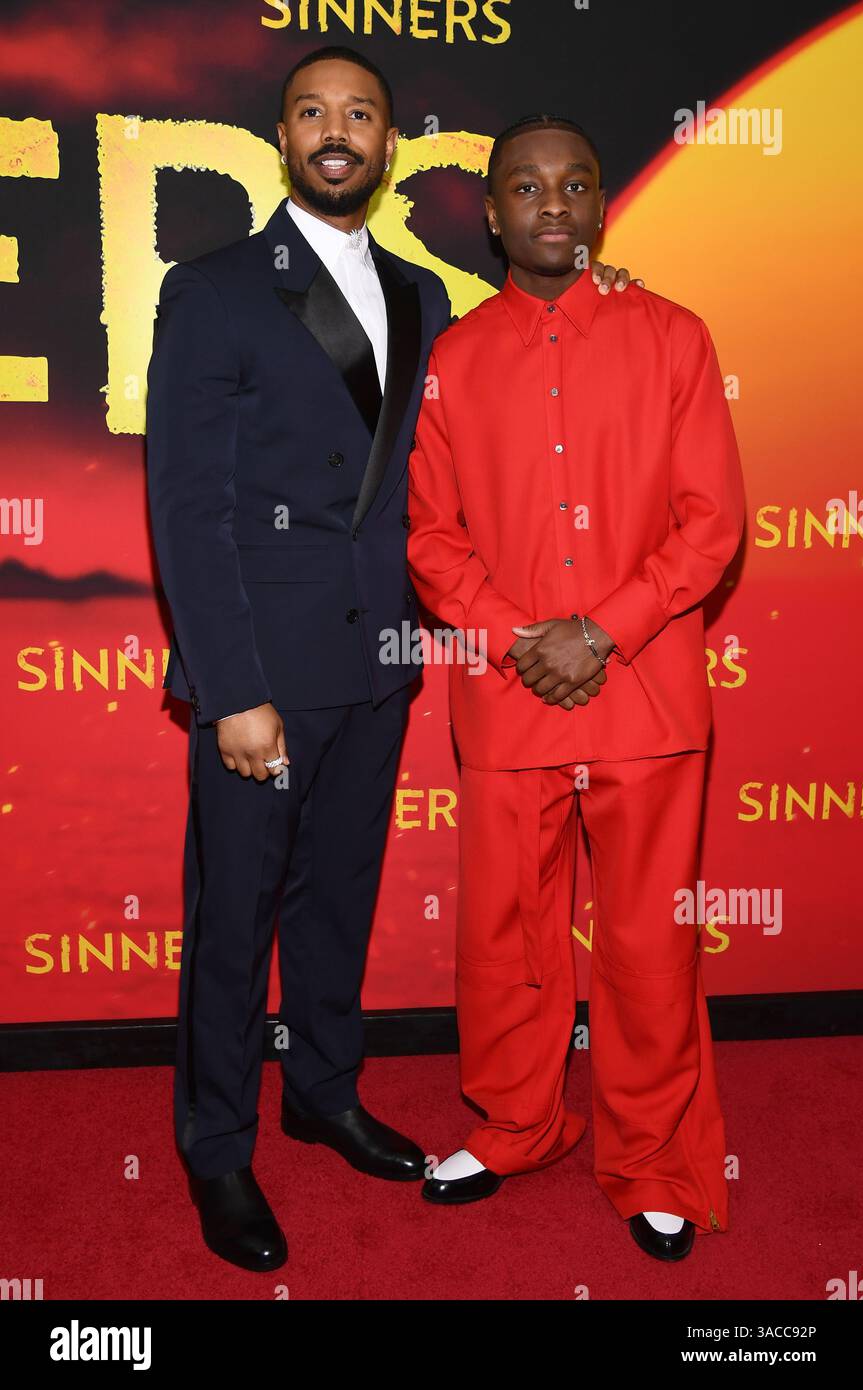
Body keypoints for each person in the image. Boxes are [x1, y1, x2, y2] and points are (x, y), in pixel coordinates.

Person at [147, 51, 639, 1273]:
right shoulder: (211, 290)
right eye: (313, 112)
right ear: (279, 136)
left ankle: (320, 1091)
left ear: (386, 143)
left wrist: (602, 281)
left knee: (338, 901)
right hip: (263, 671)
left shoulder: (427, 297)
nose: (336, 133)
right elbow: (188, 509)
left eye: (359, 115)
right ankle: (217, 1145)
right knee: (231, 922)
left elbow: (518, 381)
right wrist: (229, 689)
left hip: (380, 659)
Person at [406, 114, 745, 1262]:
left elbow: (711, 527)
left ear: (601, 207)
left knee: (647, 941)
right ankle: (512, 1125)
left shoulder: (674, 338)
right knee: (504, 936)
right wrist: (518, 640)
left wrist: (599, 631)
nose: (550, 204)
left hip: (644, 697)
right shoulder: (450, 358)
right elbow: (432, 537)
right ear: (492, 210)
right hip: (507, 701)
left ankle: (651, 1156)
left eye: (573, 185)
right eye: (523, 186)